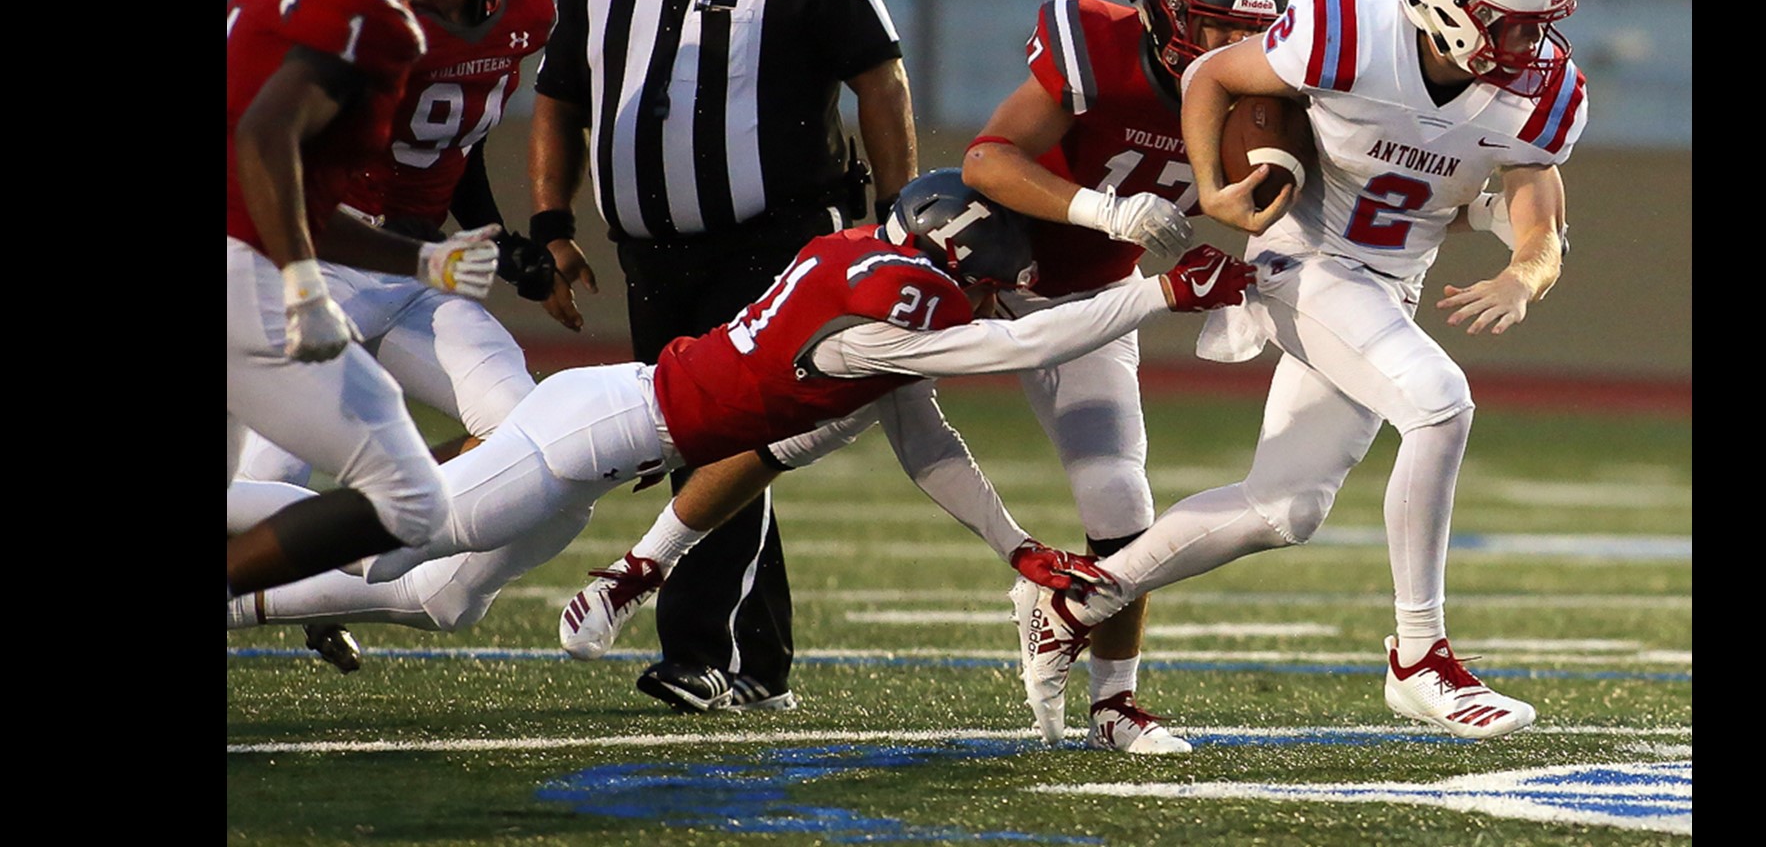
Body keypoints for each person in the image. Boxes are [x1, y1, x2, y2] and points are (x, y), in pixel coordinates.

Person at [227, 173, 1254, 672]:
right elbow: (1011, 348)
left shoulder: (867, 270)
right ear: (945, 253)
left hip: (610, 433)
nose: (988, 298)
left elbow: (926, 440)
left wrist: (1017, 547)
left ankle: (247, 607)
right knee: (405, 525)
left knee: (444, 599)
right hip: (599, 429)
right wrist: (1159, 294)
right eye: (983, 279)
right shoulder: (886, 306)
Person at [1012, 0, 1584, 743]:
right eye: (1508, 25)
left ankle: (1079, 599)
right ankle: (1419, 657)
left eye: (1537, 26)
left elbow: (1543, 228)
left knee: (1285, 508)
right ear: (1444, 4)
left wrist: (1521, 278)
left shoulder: (1543, 92)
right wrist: (1213, 191)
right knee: (1439, 402)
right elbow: (1213, 76)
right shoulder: (1344, 27)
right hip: (1301, 261)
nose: (1528, 46)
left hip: (1386, 289)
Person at [526, 0, 918, 714]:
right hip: (652, 254)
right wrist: (550, 223)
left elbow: (882, 80)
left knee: (724, 432)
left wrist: (898, 215)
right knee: (697, 439)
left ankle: (698, 651)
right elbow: (559, 100)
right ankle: (758, 663)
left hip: (775, 242)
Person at [229, 0, 559, 672]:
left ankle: (354, 567)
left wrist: (490, 244)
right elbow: (270, 147)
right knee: (270, 488)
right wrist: (301, 279)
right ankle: (321, 565)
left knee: (533, 439)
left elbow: (459, 144)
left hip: (408, 262)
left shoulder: (523, 8)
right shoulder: (363, 11)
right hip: (304, 256)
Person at [958, 0, 1288, 754]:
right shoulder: (1098, 49)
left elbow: (1301, 193)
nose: (1232, 48)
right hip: (978, 280)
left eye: (1247, 33)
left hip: (1093, 302)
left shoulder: (1264, 94)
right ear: (1167, 10)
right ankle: (659, 555)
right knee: (807, 416)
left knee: (1121, 500)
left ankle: (1114, 705)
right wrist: (1099, 209)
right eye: (1215, 26)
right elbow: (986, 160)